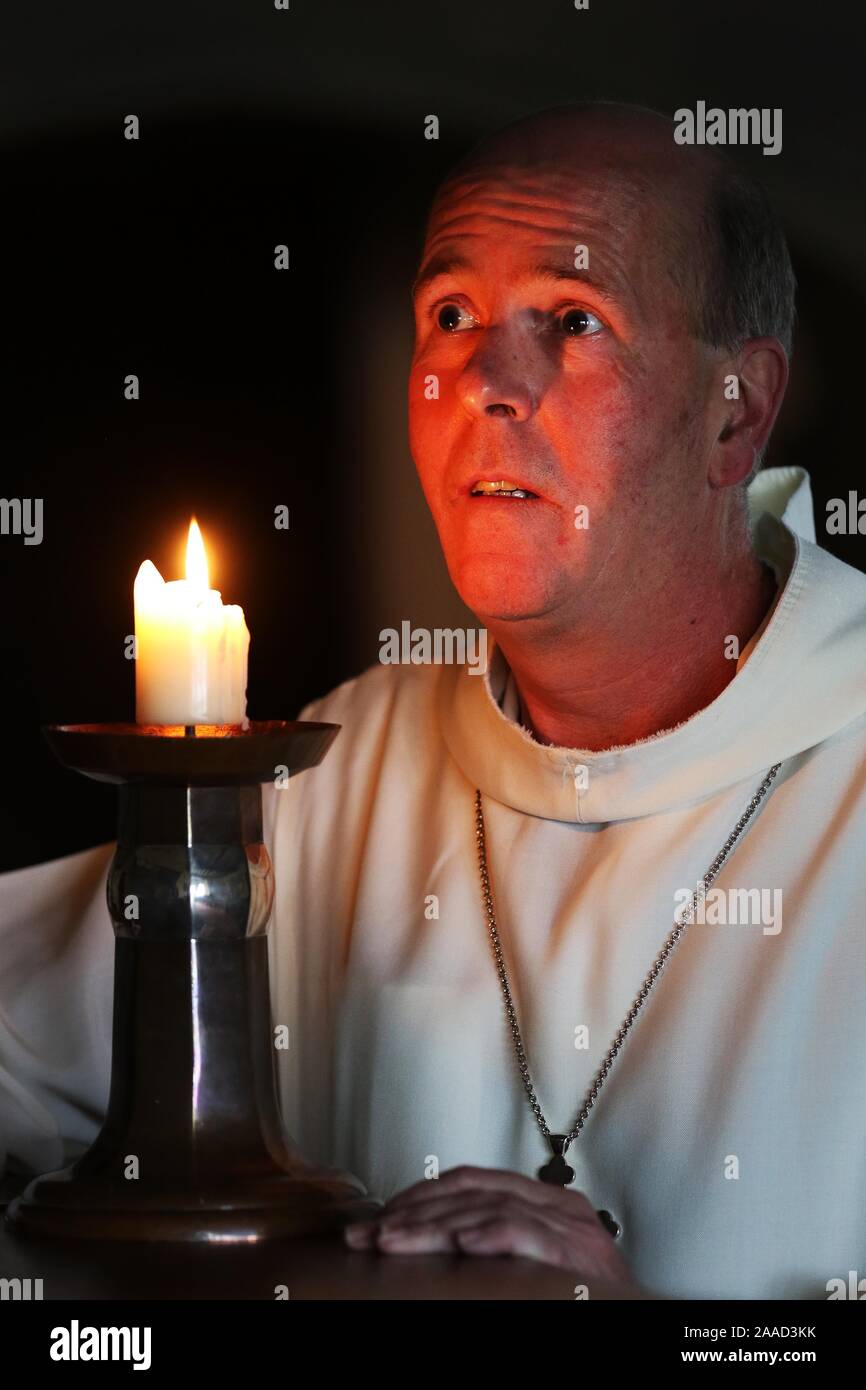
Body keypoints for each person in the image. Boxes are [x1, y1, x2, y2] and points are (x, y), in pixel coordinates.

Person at [2, 102, 865, 1300]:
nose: (482, 383)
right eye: (449, 315)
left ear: (734, 411)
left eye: (572, 321)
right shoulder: (322, 776)